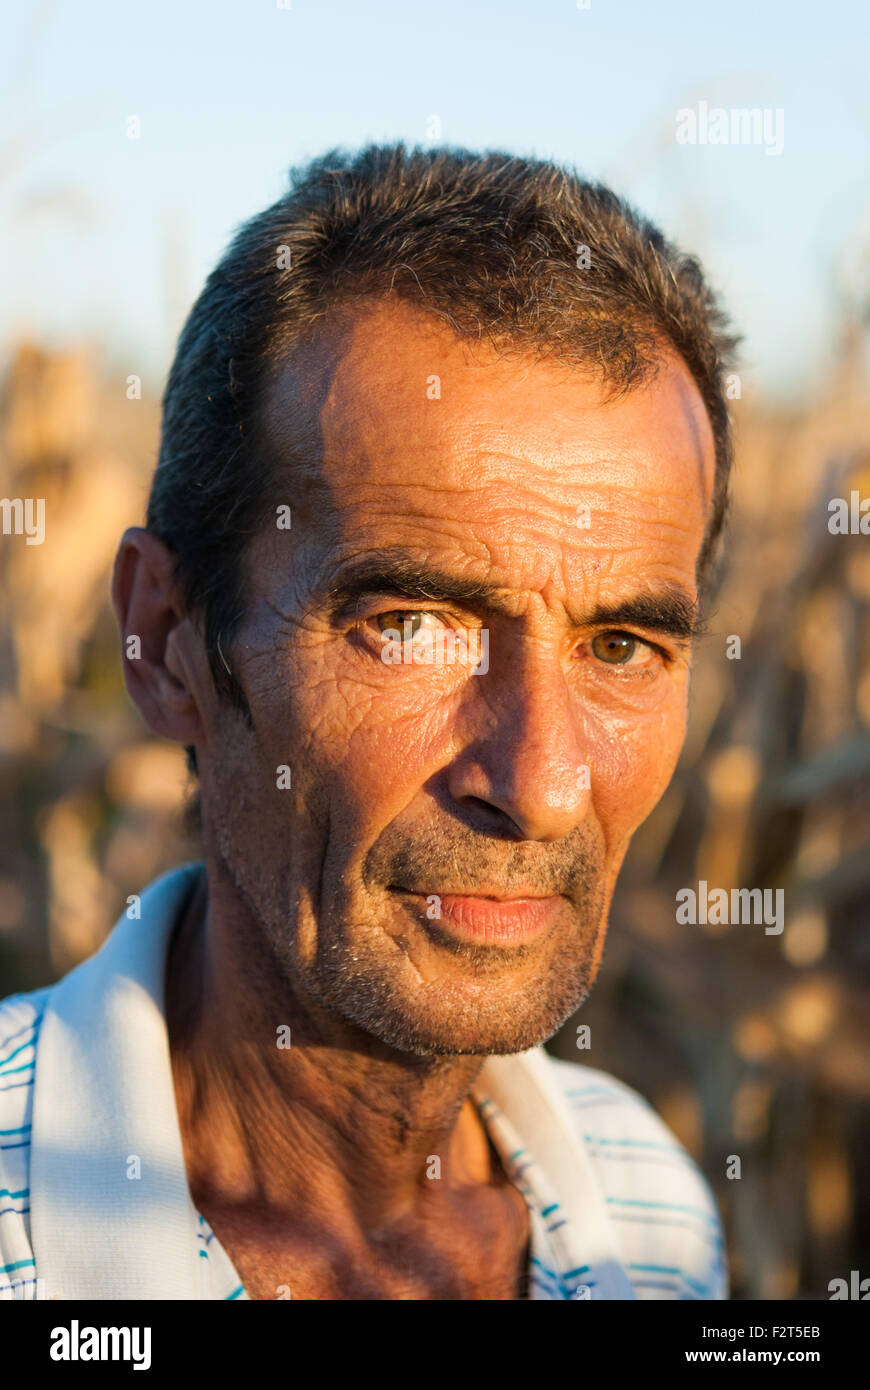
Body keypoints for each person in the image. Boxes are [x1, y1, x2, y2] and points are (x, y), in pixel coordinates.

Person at [0, 143, 738, 1301]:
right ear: (165, 641)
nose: (540, 781)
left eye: (621, 646)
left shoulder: (651, 1210)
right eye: (411, 625)